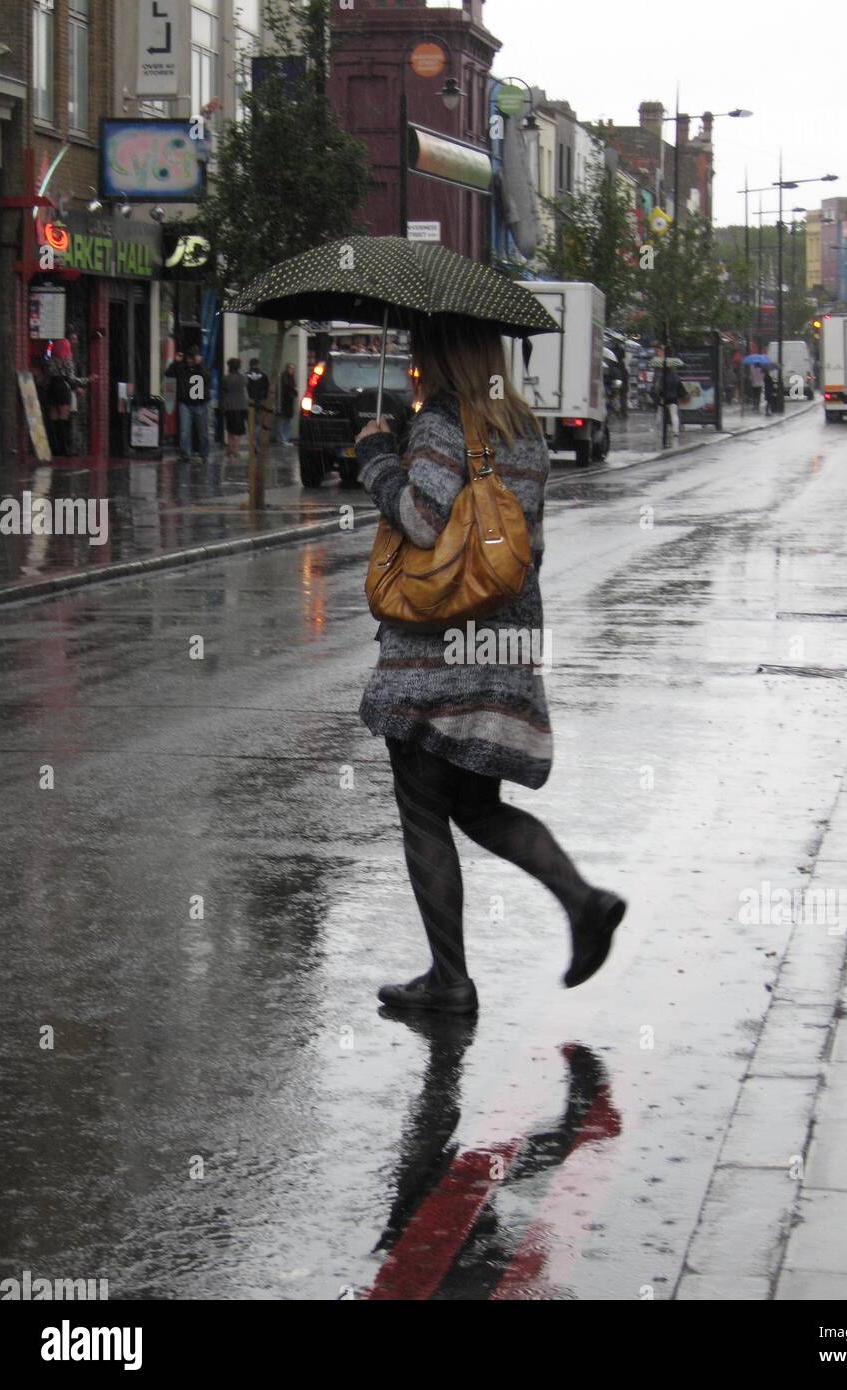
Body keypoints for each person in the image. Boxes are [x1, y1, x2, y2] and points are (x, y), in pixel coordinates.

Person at [354, 313, 627, 1014]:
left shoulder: (443, 423)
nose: (412, 361)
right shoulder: (521, 427)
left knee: (422, 811)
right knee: (476, 804)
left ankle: (450, 981)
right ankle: (582, 899)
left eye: (420, 349)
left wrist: (377, 458)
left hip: (435, 650)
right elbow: (523, 539)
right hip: (499, 643)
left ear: (438, 353)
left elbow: (421, 521)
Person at [43, 335, 89, 457]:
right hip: (63, 388)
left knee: (54, 419)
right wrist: (87, 380)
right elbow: (72, 379)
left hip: (52, 386)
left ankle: (53, 448)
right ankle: (65, 448)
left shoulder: (50, 358)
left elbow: (46, 355)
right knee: (64, 419)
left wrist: (51, 342)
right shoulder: (68, 360)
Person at [165, 348, 210, 460]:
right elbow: (168, 374)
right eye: (188, 358)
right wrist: (176, 362)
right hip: (185, 402)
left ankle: (204, 454)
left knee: (202, 431)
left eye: (192, 358)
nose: (190, 360)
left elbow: (206, 379)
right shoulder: (181, 367)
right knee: (185, 430)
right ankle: (185, 454)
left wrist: (200, 365)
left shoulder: (201, 368)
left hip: (200, 403)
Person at [222, 358, 249, 458]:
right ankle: (236, 450)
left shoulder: (226, 378)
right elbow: (246, 386)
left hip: (229, 406)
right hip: (241, 405)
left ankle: (230, 449)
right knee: (239, 430)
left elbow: (224, 389)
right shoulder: (243, 378)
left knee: (230, 429)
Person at [276, 363, 298, 445]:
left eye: (293, 368)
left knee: (287, 421)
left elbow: (293, 390)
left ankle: (284, 438)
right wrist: (294, 390)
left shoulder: (290, 378)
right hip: (284, 403)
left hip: (288, 403)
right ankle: (283, 439)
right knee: (283, 421)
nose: (292, 370)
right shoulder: (284, 378)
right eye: (291, 368)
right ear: (287, 369)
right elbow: (288, 390)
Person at [661, 362, 682, 444]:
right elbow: (679, 385)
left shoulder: (663, 376)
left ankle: (663, 430)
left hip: (666, 398)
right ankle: (675, 431)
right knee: (674, 414)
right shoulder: (675, 376)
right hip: (674, 397)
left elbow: (661, 387)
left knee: (664, 414)